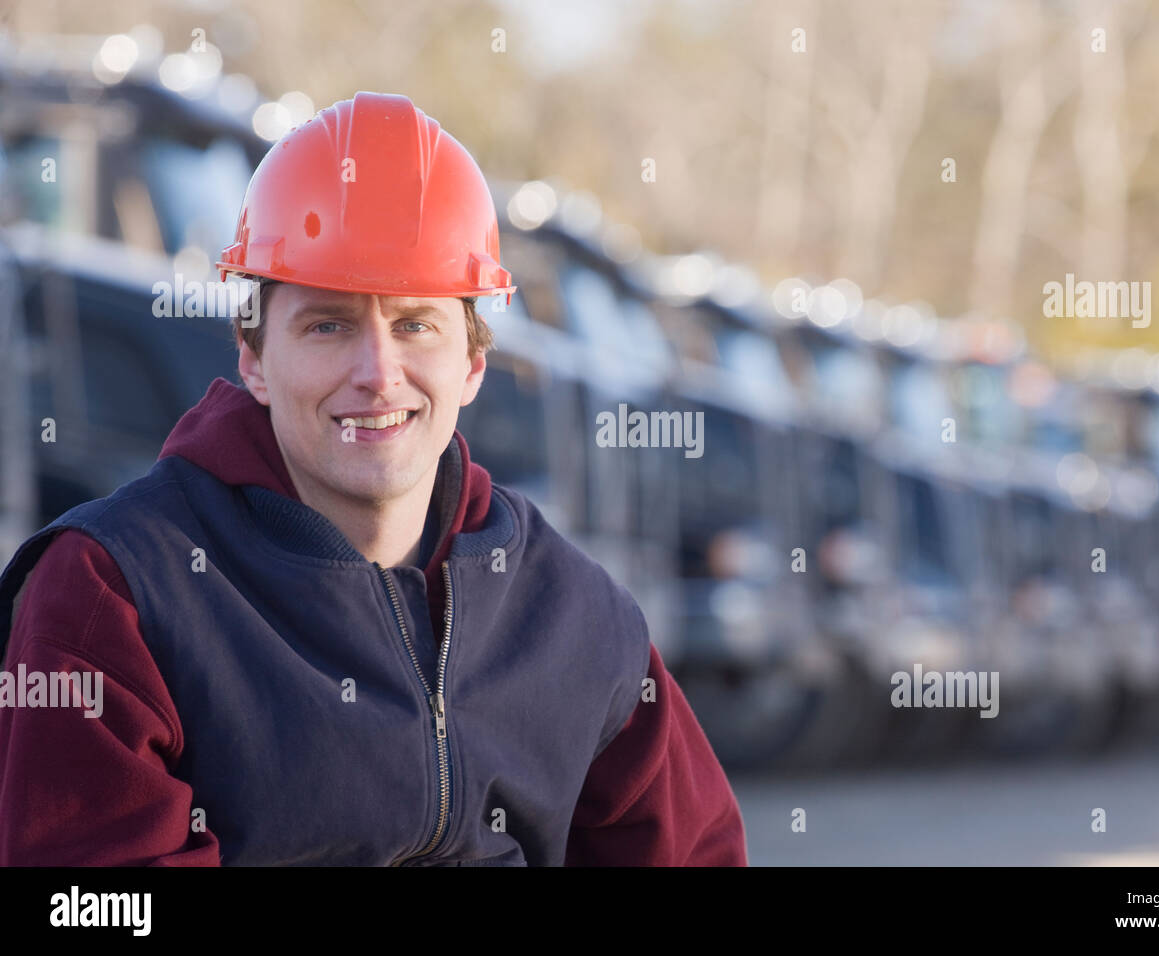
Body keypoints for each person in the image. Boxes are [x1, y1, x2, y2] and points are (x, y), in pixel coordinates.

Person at [0, 92, 747, 866]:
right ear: (253, 357)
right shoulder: (113, 593)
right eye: (329, 324)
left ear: (473, 362)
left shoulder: (571, 611)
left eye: (415, 324)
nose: (377, 374)